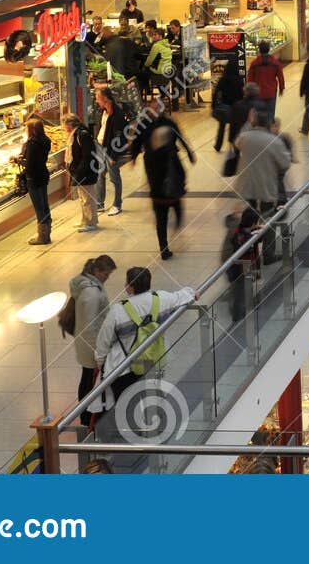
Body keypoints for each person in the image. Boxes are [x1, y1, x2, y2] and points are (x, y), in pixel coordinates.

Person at [94, 267, 196, 410]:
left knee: (126, 408)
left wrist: (100, 361)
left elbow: (103, 341)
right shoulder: (161, 298)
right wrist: (192, 293)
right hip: (152, 360)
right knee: (152, 399)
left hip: (124, 368)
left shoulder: (118, 310)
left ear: (130, 286)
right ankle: (154, 425)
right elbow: (185, 295)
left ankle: (131, 429)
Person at [67, 255, 116, 429]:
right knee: (88, 379)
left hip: (86, 343)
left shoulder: (89, 285)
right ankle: (86, 417)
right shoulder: (92, 293)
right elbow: (90, 326)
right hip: (91, 345)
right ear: (96, 271)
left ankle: (86, 415)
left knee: (87, 377)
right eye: (106, 275)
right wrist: (98, 351)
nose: (107, 279)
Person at [232, 113, 291, 255]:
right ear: (268, 125)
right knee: (268, 218)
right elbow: (285, 163)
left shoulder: (245, 137)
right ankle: (268, 253)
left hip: (247, 186)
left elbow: (236, 143)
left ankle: (243, 247)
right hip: (266, 187)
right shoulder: (273, 141)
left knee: (247, 216)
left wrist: (248, 123)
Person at [141, 121, 193, 260]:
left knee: (161, 222)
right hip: (172, 193)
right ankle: (177, 230)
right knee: (178, 211)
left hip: (157, 195)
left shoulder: (148, 155)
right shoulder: (170, 153)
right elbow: (180, 171)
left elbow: (148, 174)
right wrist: (182, 183)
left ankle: (164, 249)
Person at [223, 206, 262, 323]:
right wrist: (254, 235)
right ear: (253, 223)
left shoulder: (243, 231)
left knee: (243, 291)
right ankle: (237, 317)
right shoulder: (239, 236)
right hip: (239, 270)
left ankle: (244, 310)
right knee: (240, 294)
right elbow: (244, 247)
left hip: (244, 269)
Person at [19, 117, 54, 245]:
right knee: (44, 204)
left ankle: (42, 237)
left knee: (39, 207)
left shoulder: (32, 144)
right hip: (43, 175)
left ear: (32, 130)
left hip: (33, 178)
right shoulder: (45, 141)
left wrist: (18, 160)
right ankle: (47, 234)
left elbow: (29, 164)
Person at [93, 87, 127, 216]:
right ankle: (99, 203)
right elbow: (101, 128)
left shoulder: (116, 114)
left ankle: (117, 204)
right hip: (101, 147)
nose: (96, 101)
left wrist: (113, 156)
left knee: (114, 178)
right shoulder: (103, 111)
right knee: (99, 174)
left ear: (105, 98)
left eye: (98, 98)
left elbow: (119, 137)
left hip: (110, 150)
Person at [64, 112, 99, 233]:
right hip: (81, 172)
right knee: (83, 198)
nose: (64, 128)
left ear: (69, 124)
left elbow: (87, 156)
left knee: (88, 198)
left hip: (86, 172)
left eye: (65, 125)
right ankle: (85, 220)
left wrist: (79, 172)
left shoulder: (82, 135)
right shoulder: (76, 134)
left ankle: (91, 222)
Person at [246, 41, 286, 121]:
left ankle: (260, 131)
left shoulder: (254, 63)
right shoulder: (275, 63)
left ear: (259, 50)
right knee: (270, 115)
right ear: (269, 49)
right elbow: (281, 77)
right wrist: (281, 88)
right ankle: (268, 130)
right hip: (271, 92)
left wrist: (248, 93)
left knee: (258, 116)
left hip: (257, 94)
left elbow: (250, 79)